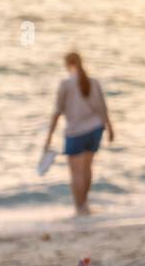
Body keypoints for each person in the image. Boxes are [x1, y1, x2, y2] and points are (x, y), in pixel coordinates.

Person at [44, 52, 113, 216]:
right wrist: (110, 128)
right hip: (95, 129)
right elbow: (103, 108)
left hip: (75, 131)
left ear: (68, 64)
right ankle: (86, 204)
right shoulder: (93, 82)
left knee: (76, 173)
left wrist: (49, 136)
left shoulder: (66, 84)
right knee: (87, 169)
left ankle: (79, 207)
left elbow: (57, 112)